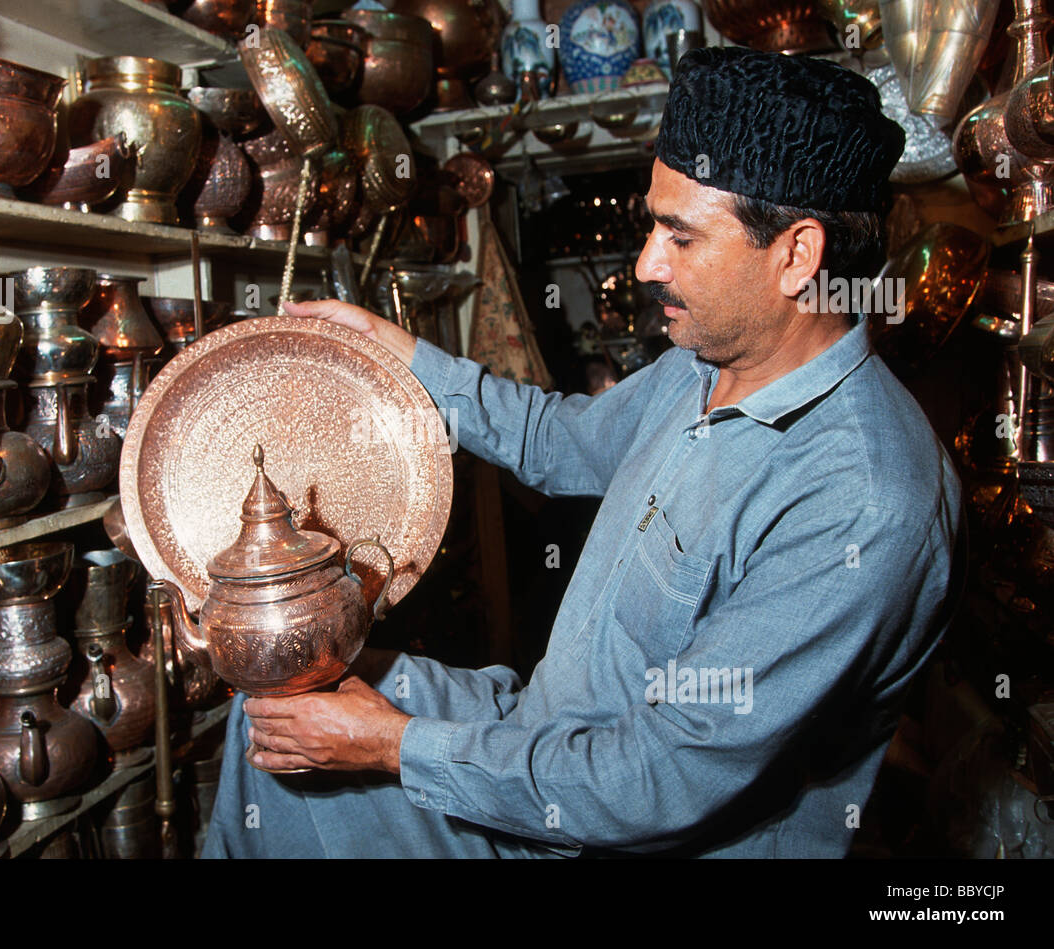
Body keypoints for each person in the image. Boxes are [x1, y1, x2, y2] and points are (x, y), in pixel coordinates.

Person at [200, 47, 965, 858]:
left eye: (682, 236)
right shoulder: (704, 366)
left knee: (313, 744)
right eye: (650, 224)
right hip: (549, 734)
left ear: (798, 254)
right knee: (276, 709)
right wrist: (405, 358)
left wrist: (393, 745)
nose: (647, 264)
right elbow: (557, 439)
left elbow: (656, 775)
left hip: (617, 830)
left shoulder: (862, 499)